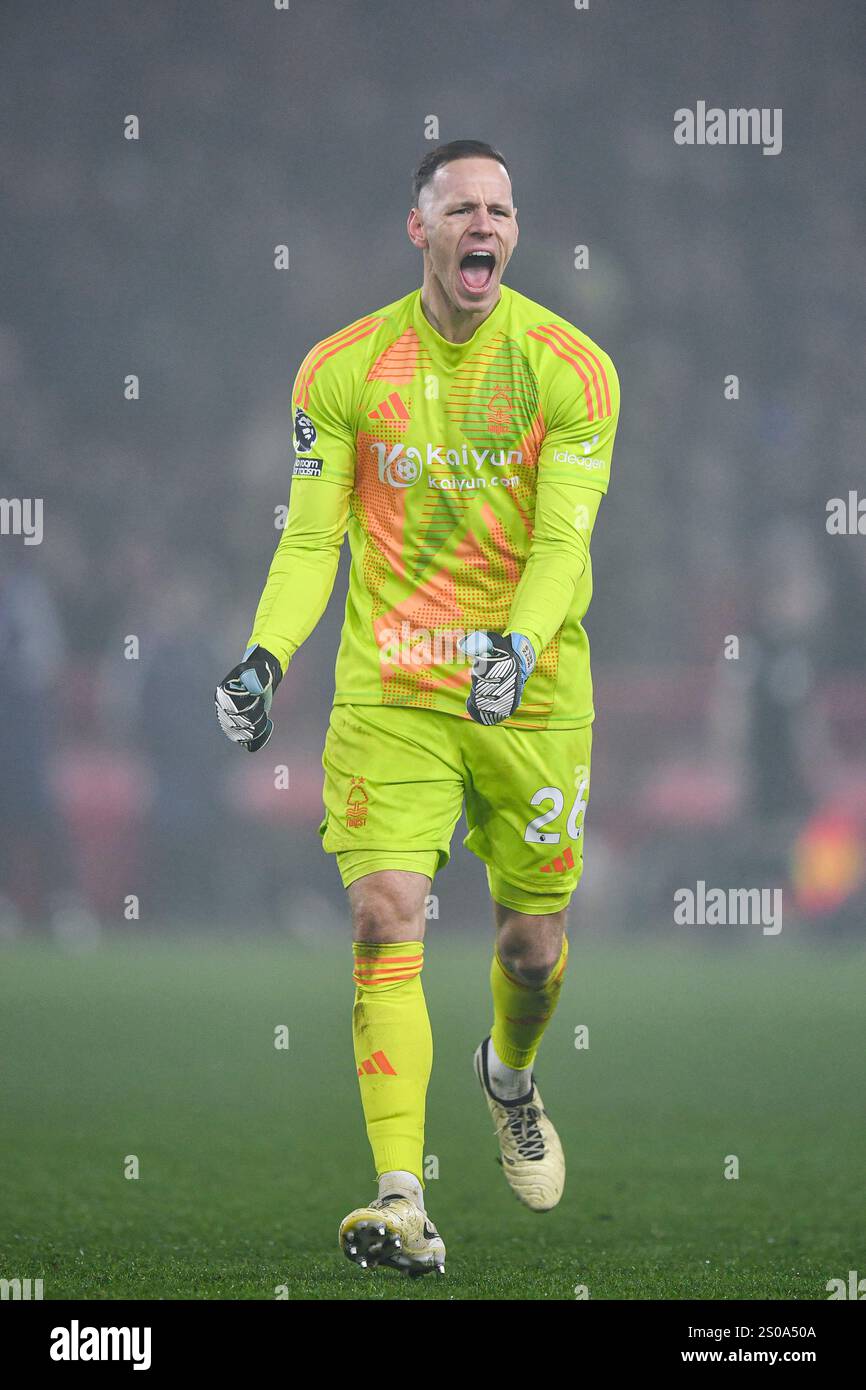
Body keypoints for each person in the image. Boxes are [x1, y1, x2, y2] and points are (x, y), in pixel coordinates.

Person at [215, 140, 620, 1277]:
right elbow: (310, 540)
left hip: (531, 694)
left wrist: (516, 643)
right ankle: (403, 1200)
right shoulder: (341, 369)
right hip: (390, 688)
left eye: (498, 210)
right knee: (384, 913)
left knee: (531, 950)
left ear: (512, 234)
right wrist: (263, 657)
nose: (480, 226)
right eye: (459, 210)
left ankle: (509, 1078)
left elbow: (559, 543)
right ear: (420, 230)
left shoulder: (570, 368)